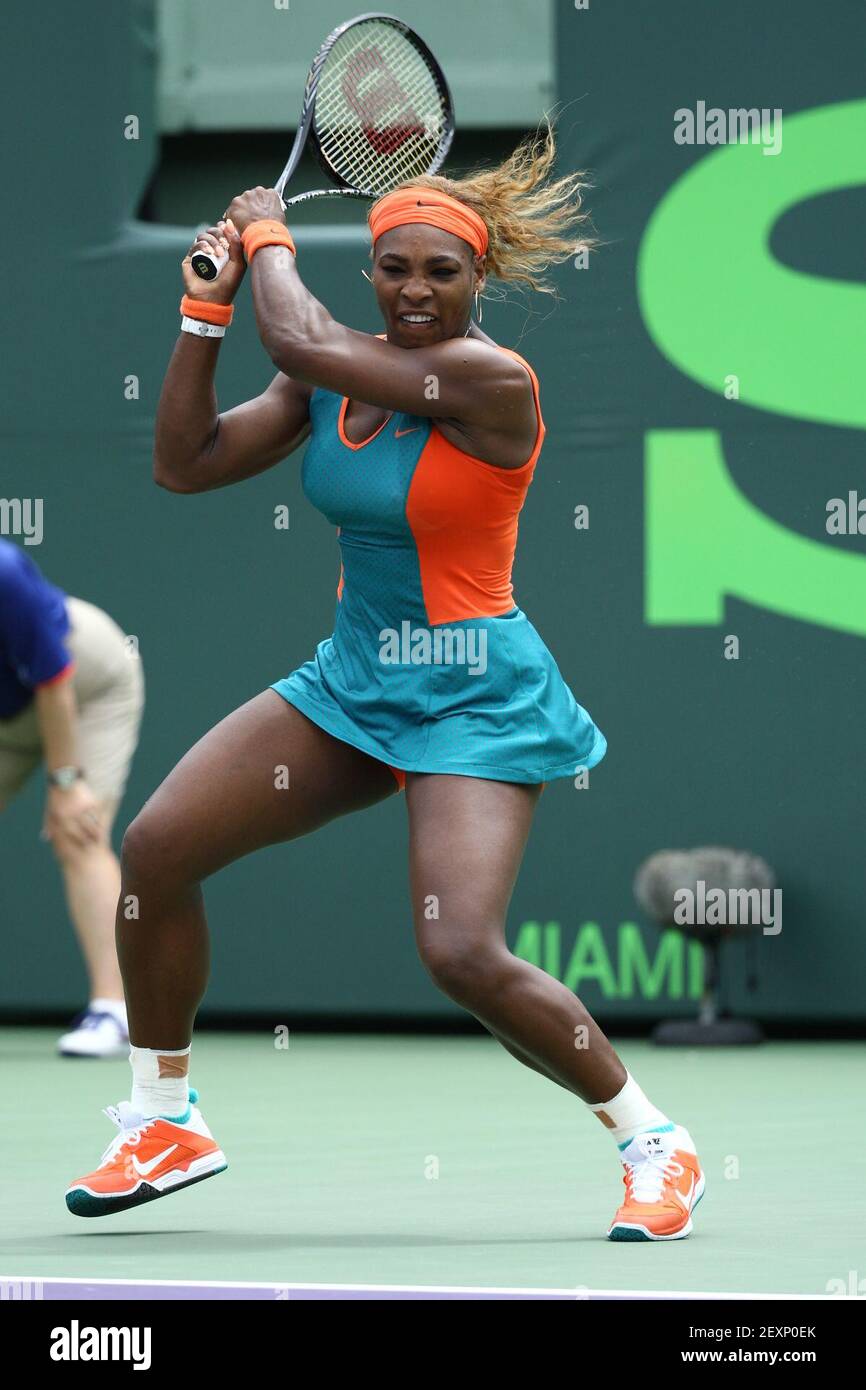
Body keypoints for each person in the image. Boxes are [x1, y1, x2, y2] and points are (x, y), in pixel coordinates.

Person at [65, 122, 704, 1239]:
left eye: (441, 273)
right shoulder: (329, 376)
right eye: (396, 269)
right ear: (370, 271)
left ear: (476, 280)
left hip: (474, 693)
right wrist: (202, 317)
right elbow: (185, 463)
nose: (415, 292)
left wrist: (267, 239)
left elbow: (305, 342)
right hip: (351, 686)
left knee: (457, 947)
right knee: (157, 851)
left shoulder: (491, 379)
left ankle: (652, 1138)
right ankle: (164, 1119)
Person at [0, 540, 144, 1055]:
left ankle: (114, 1013)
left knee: (77, 834)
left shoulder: (4, 572)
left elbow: (54, 682)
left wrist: (66, 785)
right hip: (9, 715)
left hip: (88, 685)